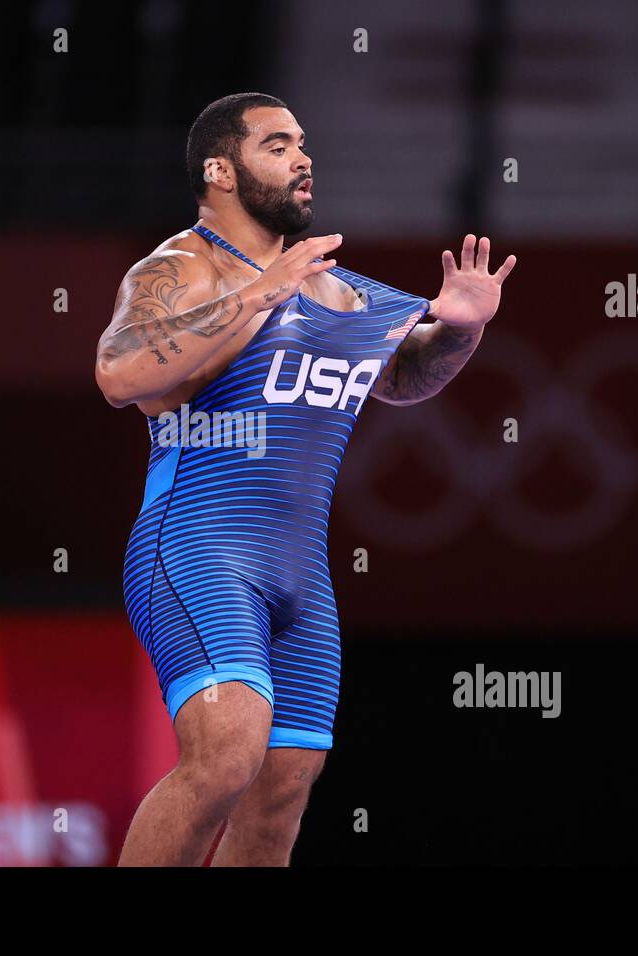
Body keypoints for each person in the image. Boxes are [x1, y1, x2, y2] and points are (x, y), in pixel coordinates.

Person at [95, 92, 517, 865]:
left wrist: (462, 330)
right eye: (278, 145)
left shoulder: (336, 288)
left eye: (304, 146)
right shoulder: (180, 266)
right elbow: (119, 373)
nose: (303, 159)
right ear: (220, 170)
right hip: (195, 548)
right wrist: (261, 290)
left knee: (282, 791)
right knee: (225, 757)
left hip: (299, 575)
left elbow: (406, 376)